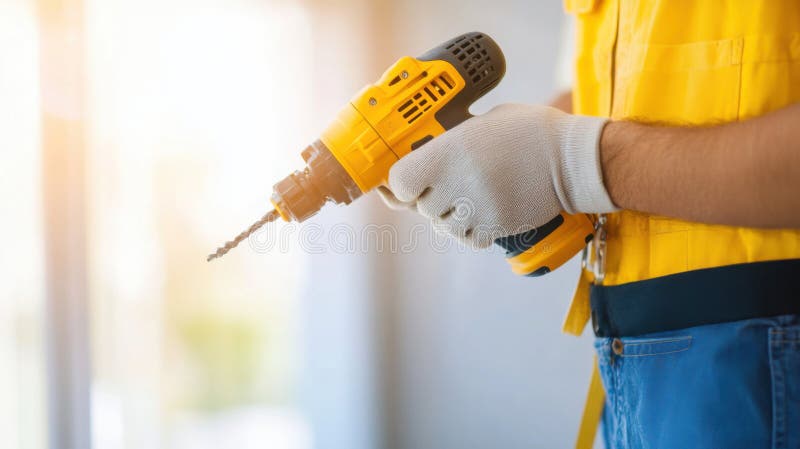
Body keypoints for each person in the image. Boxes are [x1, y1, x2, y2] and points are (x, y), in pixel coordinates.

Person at [379, 1, 800, 448]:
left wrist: (579, 160)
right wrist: (488, 159)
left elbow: (581, 148)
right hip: (631, 346)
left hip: (761, 339)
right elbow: (603, 96)